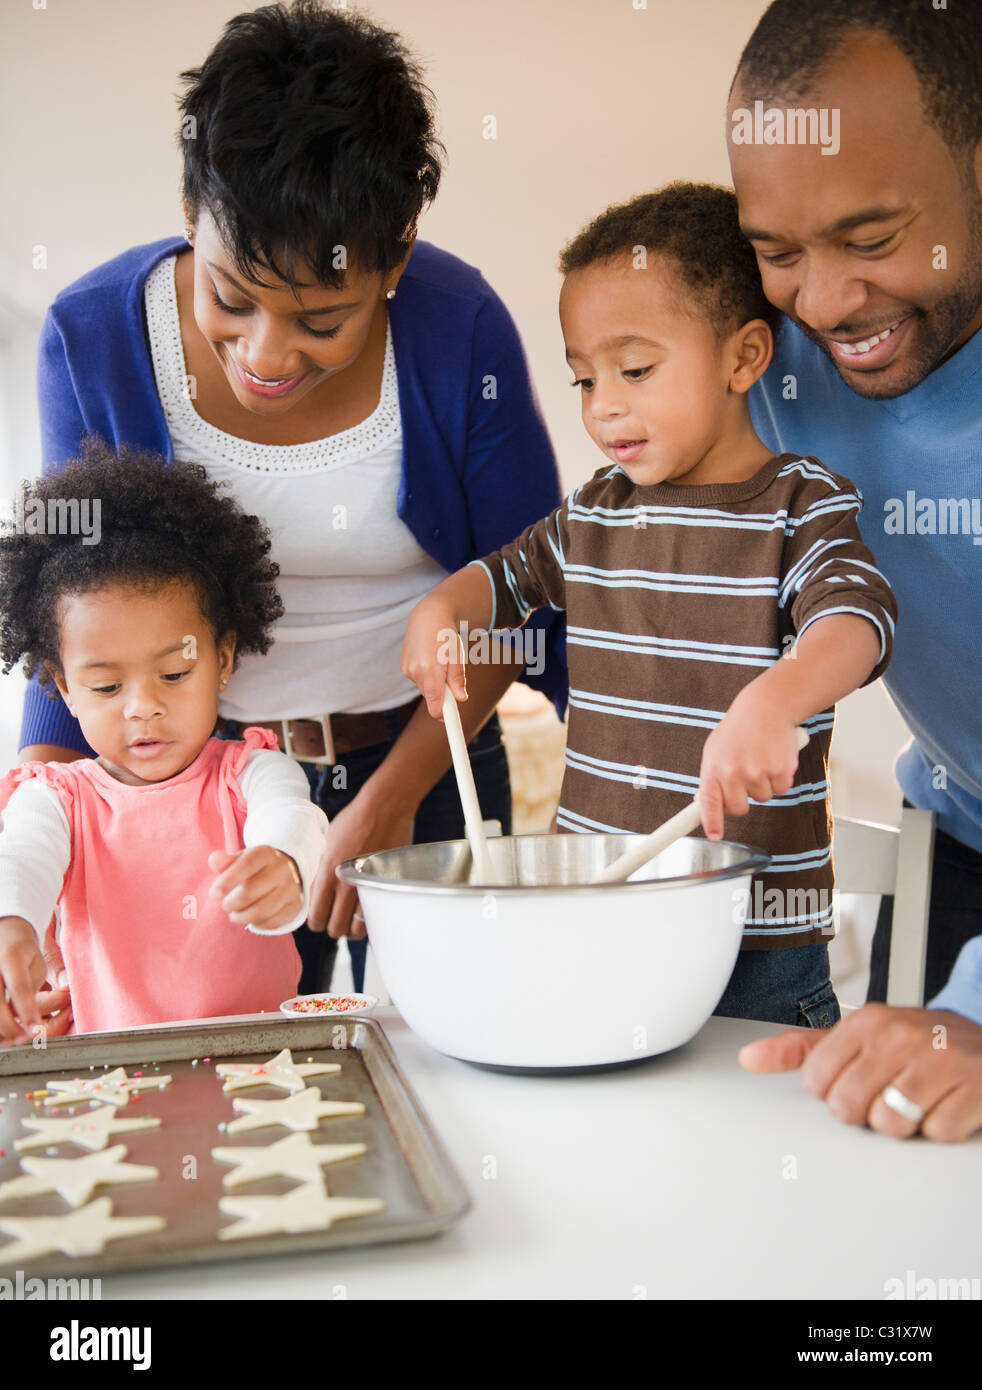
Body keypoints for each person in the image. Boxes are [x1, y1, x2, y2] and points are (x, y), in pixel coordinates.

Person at [20, 0, 566, 1000]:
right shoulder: (94, 338)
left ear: (393, 260)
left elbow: (517, 596)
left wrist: (393, 799)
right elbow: (80, 599)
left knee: (451, 1064)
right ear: (191, 214)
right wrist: (33, 867)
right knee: (234, 1079)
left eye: (321, 319)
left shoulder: (459, 330)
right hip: (206, 786)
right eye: (229, 296)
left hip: (428, 761)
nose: (266, 355)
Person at [402, 183, 898, 1027]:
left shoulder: (797, 504)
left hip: (757, 949)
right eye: (585, 380)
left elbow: (857, 621)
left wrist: (776, 701)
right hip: (601, 923)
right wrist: (441, 613)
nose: (605, 407)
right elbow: (501, 580)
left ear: (743, 359)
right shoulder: (595, 511)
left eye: (634, 370)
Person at [728, 0, 982, 1138]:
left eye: (872, 240)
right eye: (778, 252)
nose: (823, 303)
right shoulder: (771, 359)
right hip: (957, 839)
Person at [0, 442, 328, 1042]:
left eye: (173, 674)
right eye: (104, 684)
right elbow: (21, 854)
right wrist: (13, 923)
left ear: (223, 659)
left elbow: (294, 814)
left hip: (258, 1072)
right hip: (113, 1084)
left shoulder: (250, 772)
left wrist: (285, 865)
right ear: (64, 688)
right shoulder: (57, 799)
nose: (143, 705)